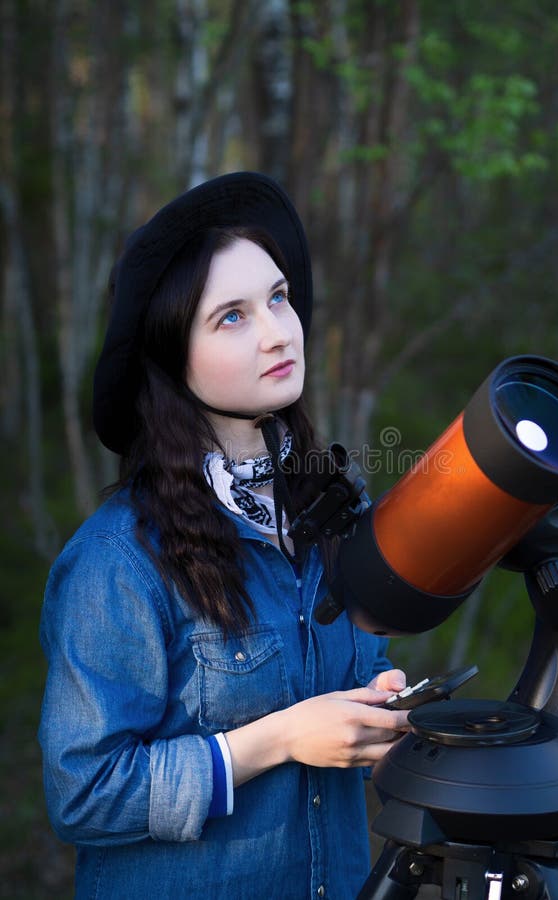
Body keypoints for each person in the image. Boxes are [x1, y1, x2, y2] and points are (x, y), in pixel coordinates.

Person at [38, 172, 410, 899]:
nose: (277, 330)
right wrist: (274, 740)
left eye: (277, 298)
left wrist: (378, 713)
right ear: (175, 361)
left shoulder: (334, 511)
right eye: (231, 317)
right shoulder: (119, 560)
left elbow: (351, 690)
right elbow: (82, 794)